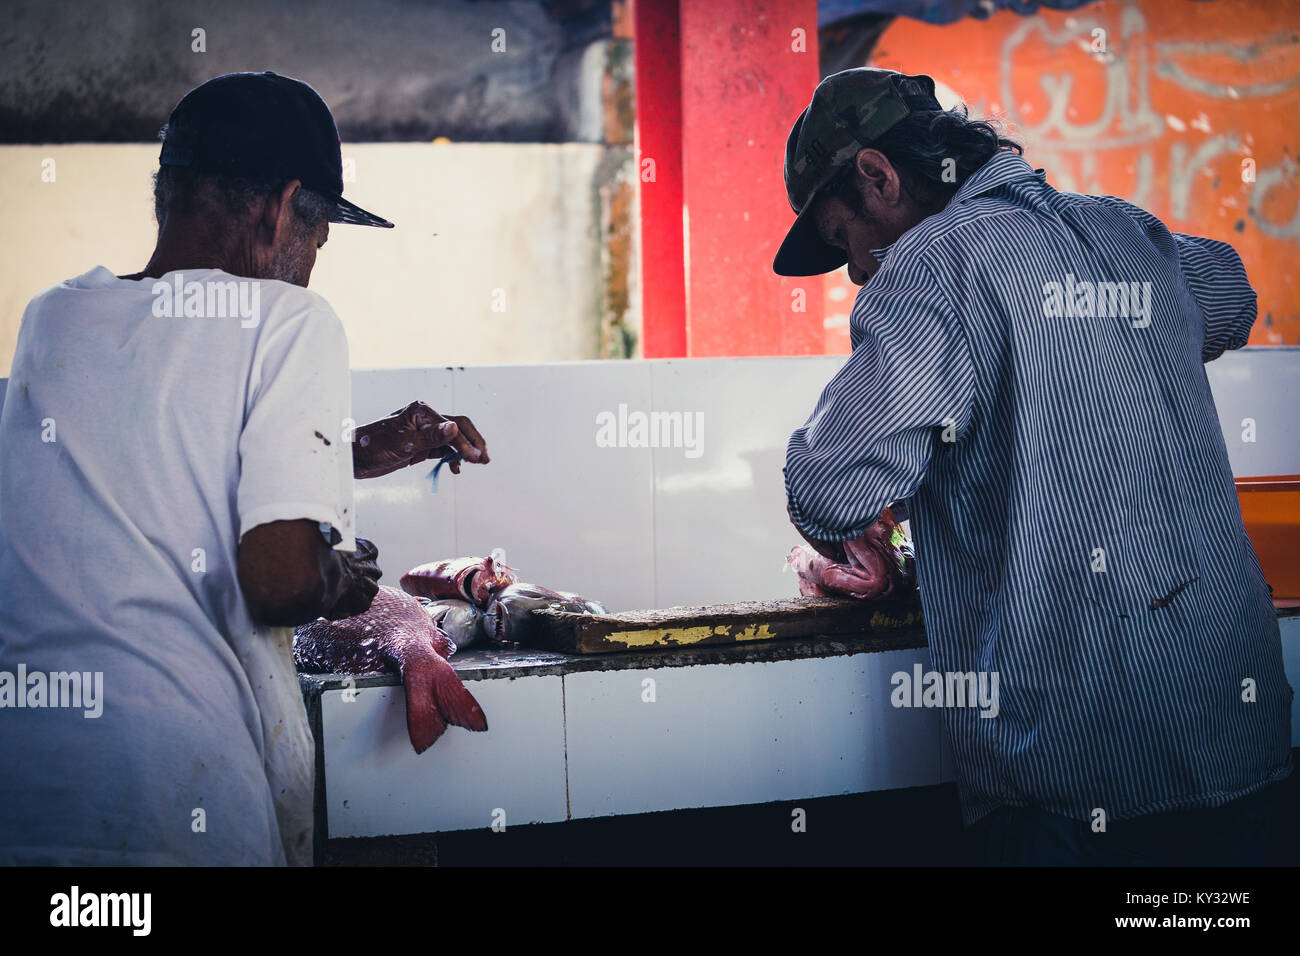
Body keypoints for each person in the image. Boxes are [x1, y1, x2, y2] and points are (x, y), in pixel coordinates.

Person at [777, 68, 1292, 865]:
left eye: (845, 239)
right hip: (1238, 726)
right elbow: (1232, 295)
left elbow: (830, 489)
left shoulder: (932, 268)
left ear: (878, 175)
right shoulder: (1126, 231)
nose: (854, 269)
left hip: (1082, 766)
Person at [0, 72, 488, 865]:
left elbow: (160, 447)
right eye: (318, 239)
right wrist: (342, 578)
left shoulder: (52, 319)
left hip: (31, 795)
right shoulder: (289, 321)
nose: (310, 267)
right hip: (172, 798)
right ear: (282, 206)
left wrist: (356, 450)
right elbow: (279, 582)